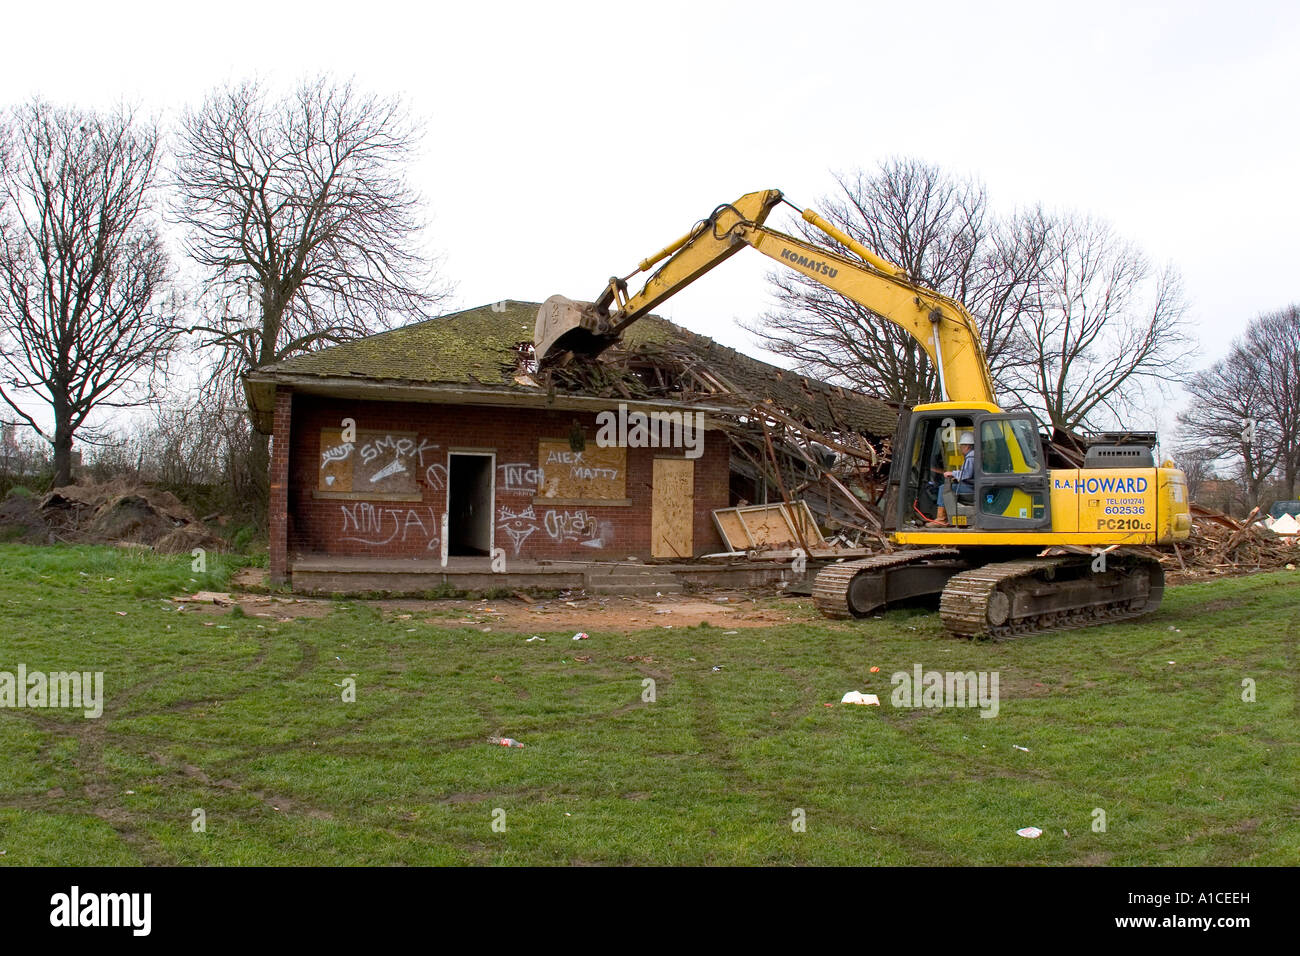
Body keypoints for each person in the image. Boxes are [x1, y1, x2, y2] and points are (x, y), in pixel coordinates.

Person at [944, 432, 976, 496]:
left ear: (967, 446)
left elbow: (966, 474)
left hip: (971, 487)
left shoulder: (970, 457)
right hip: (972, 485)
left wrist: (952, 473)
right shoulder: (973, 455)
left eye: (961, 446)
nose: (960, 448)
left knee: (943, 488)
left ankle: (941, 506)